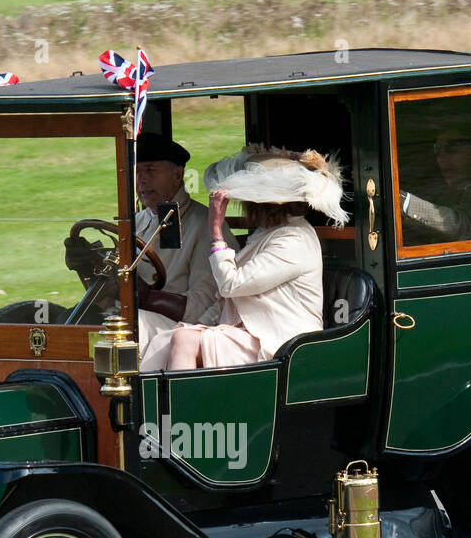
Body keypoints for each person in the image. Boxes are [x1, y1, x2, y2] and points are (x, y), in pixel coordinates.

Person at [140, 147, 346, 372]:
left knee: (185, 340)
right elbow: (226, 299)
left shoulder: (295, 239)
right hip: (247, 331)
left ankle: (182, 406)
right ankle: (156, 405)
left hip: (278, 338)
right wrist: (198, 324)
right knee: (170, 339)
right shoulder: (266, 233)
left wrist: (216, 233)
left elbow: (232, 285)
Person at [135, 133, 235, 352]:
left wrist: (147, 297)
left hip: (178, 328)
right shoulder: (134, 224)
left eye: (150, 170)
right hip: (131, 316)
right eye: (136, 172)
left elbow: (203, 305)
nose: (141, 180)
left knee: (131, 326)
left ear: (178, 174)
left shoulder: (205, 226)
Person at [399, 123, 471, 243]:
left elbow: (458, 225)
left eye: (451, 147)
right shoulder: (444, 196)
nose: (441, 156)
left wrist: (400, 201)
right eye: (437, 149)